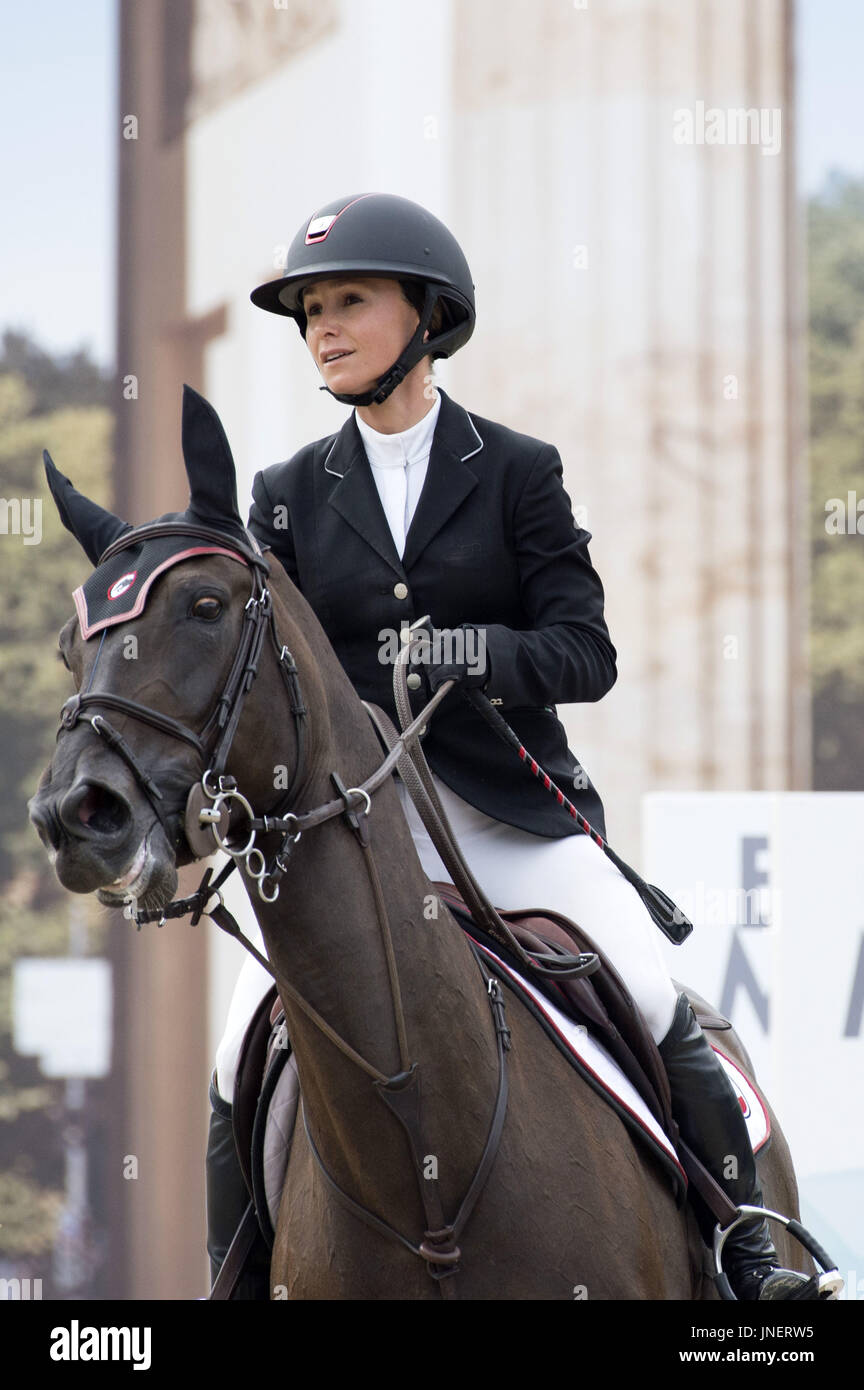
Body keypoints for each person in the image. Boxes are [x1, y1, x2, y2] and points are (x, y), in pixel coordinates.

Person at [206, 192, 810, 1300]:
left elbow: (586, 653)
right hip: (364, 840)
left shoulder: (517, 469)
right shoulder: (287, 495)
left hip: (511, 823)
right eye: (308, 312)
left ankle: (748, 1256)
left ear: (425, 316)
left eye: (348, 302)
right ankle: (235, 1278)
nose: (322, 329)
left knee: (655, 992)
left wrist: (474, 650)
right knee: (238, 1037)